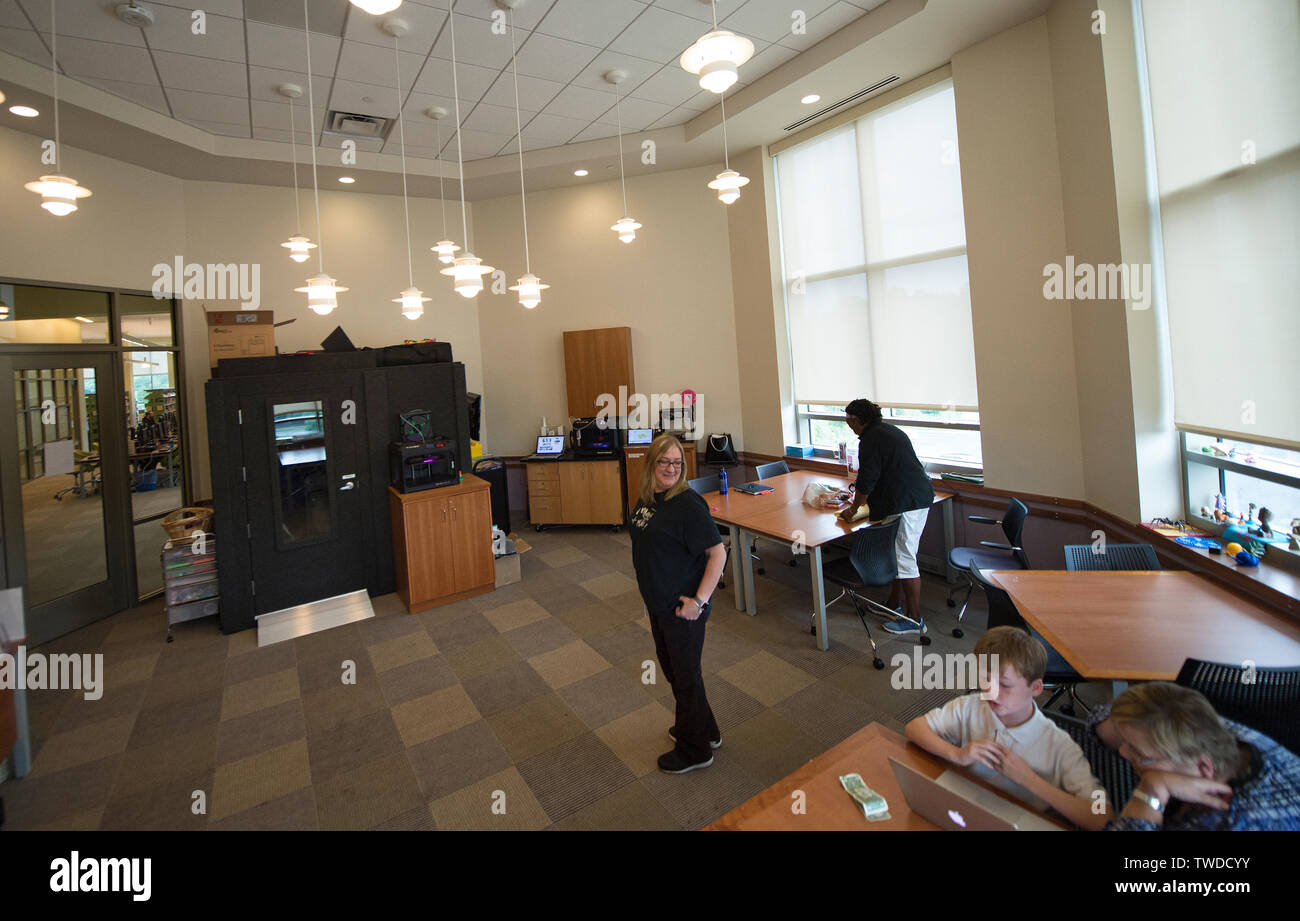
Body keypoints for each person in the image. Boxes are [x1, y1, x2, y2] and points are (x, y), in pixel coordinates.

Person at [905, 626, 1109, 830]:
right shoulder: (972, 706)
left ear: (1036, 688)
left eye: (1004, 685)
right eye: (986, 679)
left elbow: (1101, 815)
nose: (991, 691)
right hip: (968, 809)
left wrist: (1030, 781)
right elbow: (915, 727)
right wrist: (957, 754)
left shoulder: (1060, 745)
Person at [629, 434, 728, 774]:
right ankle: (705, 729)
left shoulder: (688, 505)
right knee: (676, 670)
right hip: (659, 603)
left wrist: (698, 602)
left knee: (684, 676)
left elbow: (718, 553)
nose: (671, 468)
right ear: (651, 464)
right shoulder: (649, 498)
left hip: (683, 608)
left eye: (677, 463)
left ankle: (695, 750)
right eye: (664, 462)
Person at [1090, 682, 1300, 830]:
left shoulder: (1224, 822)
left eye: (1138, 752)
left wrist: (1150, 790)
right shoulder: (1222, 731)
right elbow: (1102, 718)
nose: (1123, 752)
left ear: (1203, 768)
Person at [837, 398, 934, 635]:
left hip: (908, 503)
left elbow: (867, 479)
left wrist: (854, 508)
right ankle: (893, 605)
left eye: (848, 421)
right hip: (912, 496)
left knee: (904, 557)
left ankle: (913, 619)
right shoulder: (888, 431)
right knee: (897, 555)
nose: (848, 425)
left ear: (858, 420)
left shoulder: (871, 439)